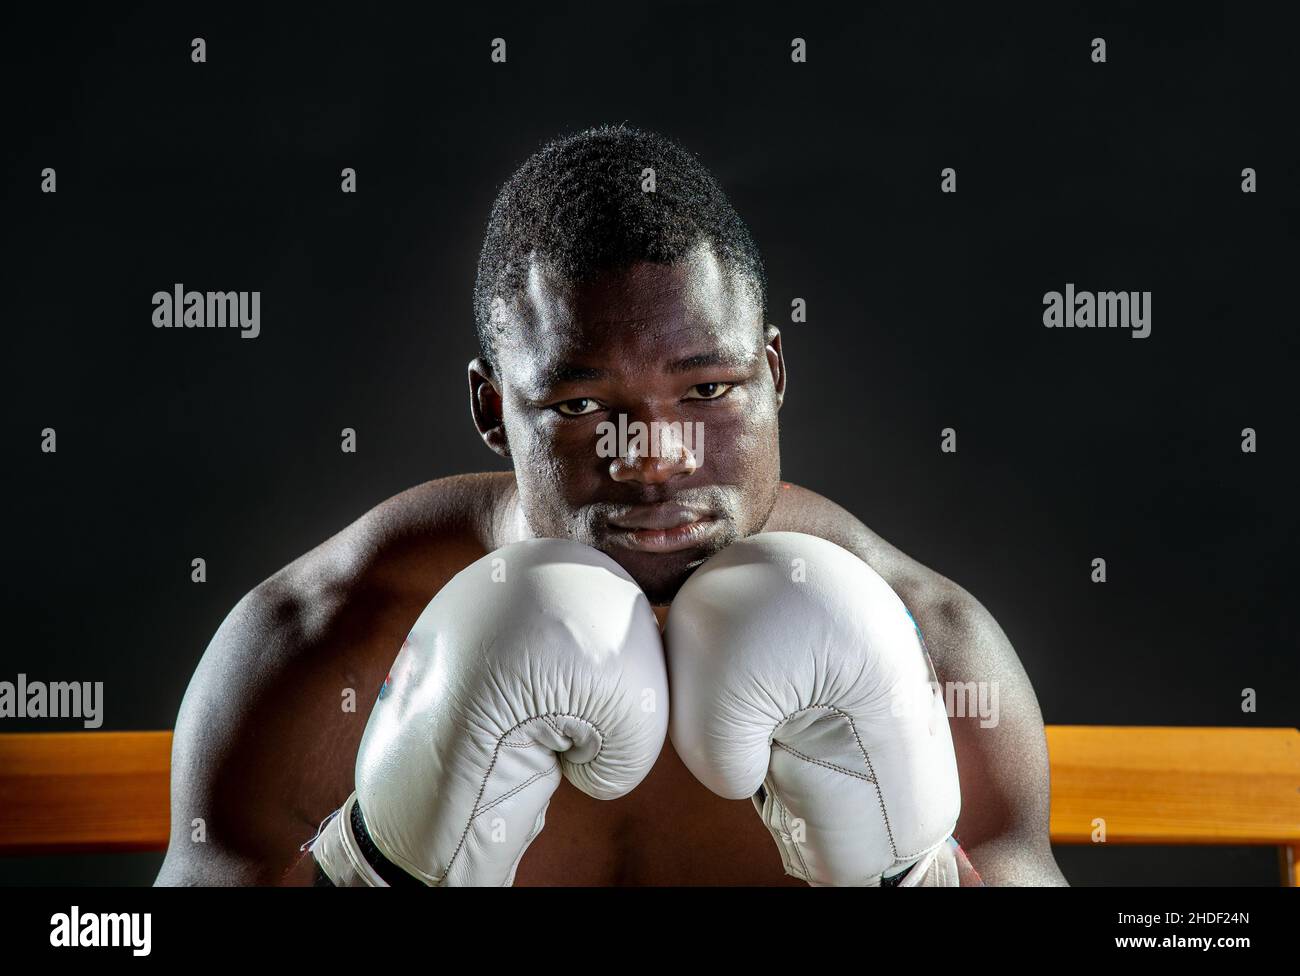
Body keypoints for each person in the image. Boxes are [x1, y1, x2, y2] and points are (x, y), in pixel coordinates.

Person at [155, 124, 1066, 886]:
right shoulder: (318, 643)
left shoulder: (937, 648)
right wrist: (373, 876)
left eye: (707, 391)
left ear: (774, 376)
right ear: (490, 409)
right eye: (583, 407)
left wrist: (914, 881)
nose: (657, 463)